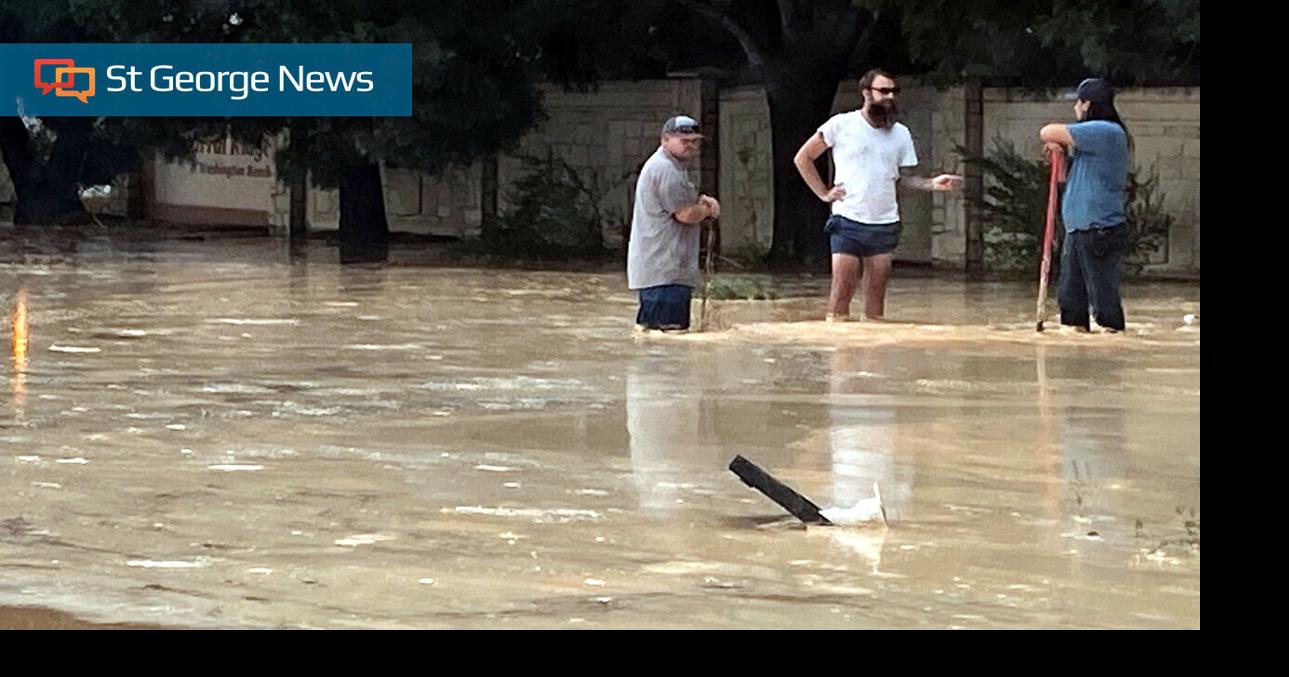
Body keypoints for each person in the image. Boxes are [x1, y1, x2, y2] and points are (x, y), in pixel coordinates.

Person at [794, 69, 961, 321]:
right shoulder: (841, 124)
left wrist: (932, 184)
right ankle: (841, 354)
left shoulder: (901, 134)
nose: (889, 96)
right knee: (842, 291)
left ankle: (873, 358)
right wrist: (824, 193)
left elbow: (902, 178)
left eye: (893, 91)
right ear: (866, 93)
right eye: (883, 91)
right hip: (847, 220)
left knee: (875, 303)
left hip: (884, 223)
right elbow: (803, 158)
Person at [1040, 77, 1133, 332]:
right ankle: (1079, 362)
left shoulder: (1105, 130)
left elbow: (1047, 130)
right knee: (1071, 303)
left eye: (1078, 103)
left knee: (1104, 304)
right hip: (1079, 230)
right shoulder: (1091, 140)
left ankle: (1111, 351)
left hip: (1098, 229)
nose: (1075, 108)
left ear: (1088, 104)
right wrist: (1058, 154)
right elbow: (1068, 177)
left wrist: (1054, 139)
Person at [626, 115, 721, 332]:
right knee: (669, 338)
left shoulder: (667, 167)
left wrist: (699, 203)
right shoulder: (666, 169)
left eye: (694, 141)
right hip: (665, 273)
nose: (690, 146)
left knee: (657, 339)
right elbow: (685, 214)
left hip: (661, 271)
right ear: (665, 139)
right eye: (683, 140)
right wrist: (708, 209)